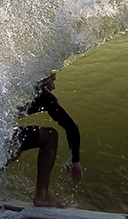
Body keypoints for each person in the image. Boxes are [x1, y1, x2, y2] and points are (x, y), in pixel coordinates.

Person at [8, 71, 83, 207]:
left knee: (14, 146)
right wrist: (75, 160)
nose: (53, 86)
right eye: (52, 81)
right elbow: (71, 126)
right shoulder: (43, 96)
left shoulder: (14, 85)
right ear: (43, 80)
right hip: (0, 140)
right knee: (51, 136)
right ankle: (41, 195)